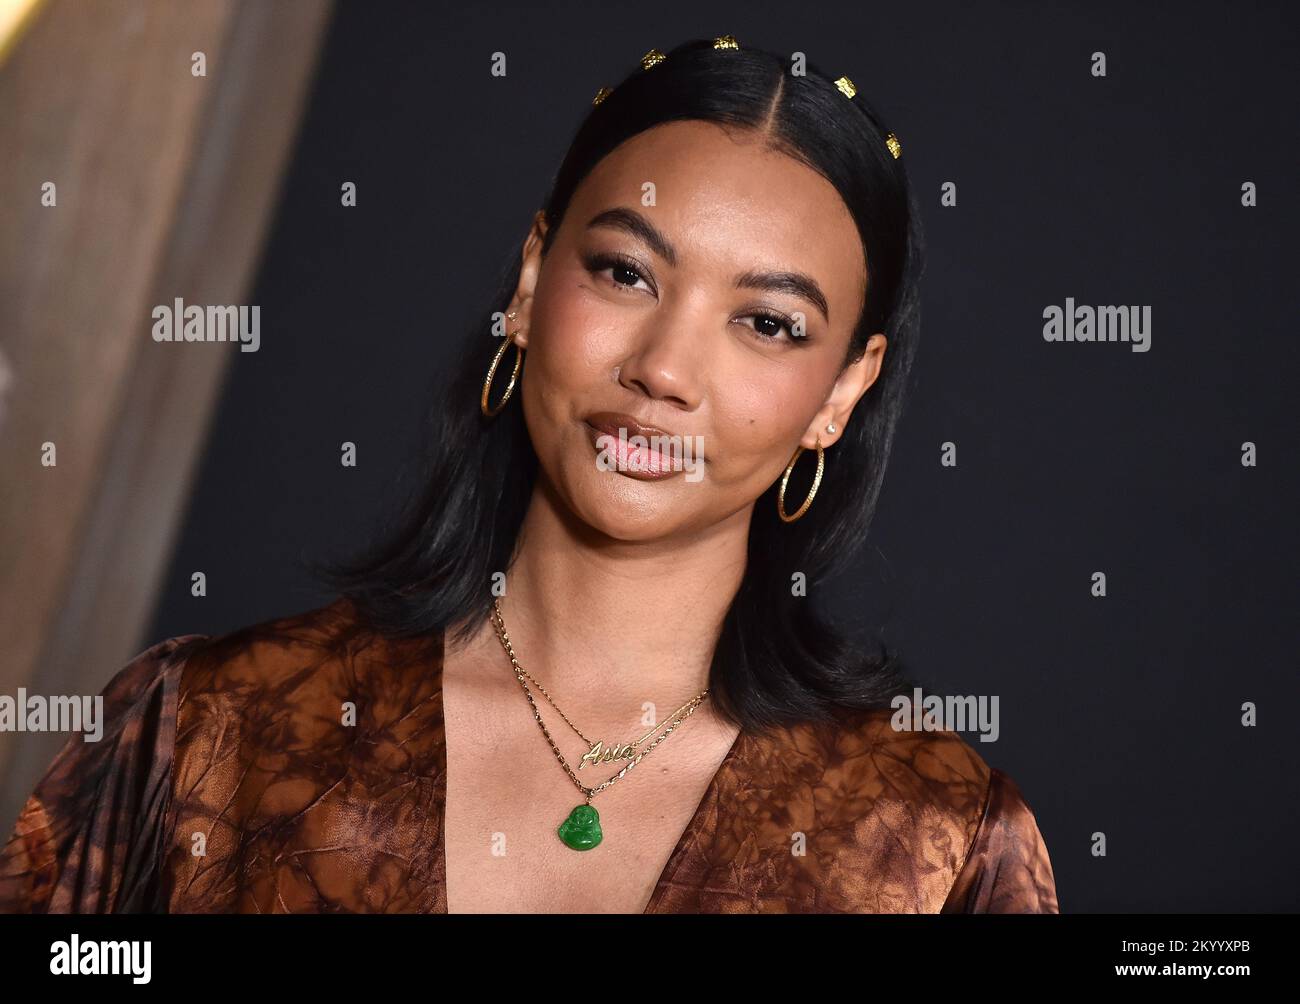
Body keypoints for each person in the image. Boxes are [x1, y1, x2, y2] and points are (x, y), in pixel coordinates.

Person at [0, 35, 1058, 914]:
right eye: (623, 271)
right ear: (529, 276)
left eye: (768, 324)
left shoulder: (936, 847)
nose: (662, 370)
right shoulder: (205, 729)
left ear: (843, 390)